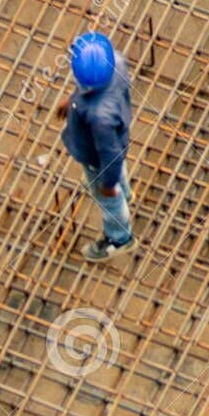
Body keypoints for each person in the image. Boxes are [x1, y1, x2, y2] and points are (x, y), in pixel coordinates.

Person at [55, 32, 137, 262]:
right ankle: (125, 194)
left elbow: (109, 155)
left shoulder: (99, 116)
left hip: (98, 156)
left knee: (109, 197)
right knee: (119, 169)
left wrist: (108, 186)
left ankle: (119, 238)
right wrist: (73, 101)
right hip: (118, 135)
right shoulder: (116, 63)